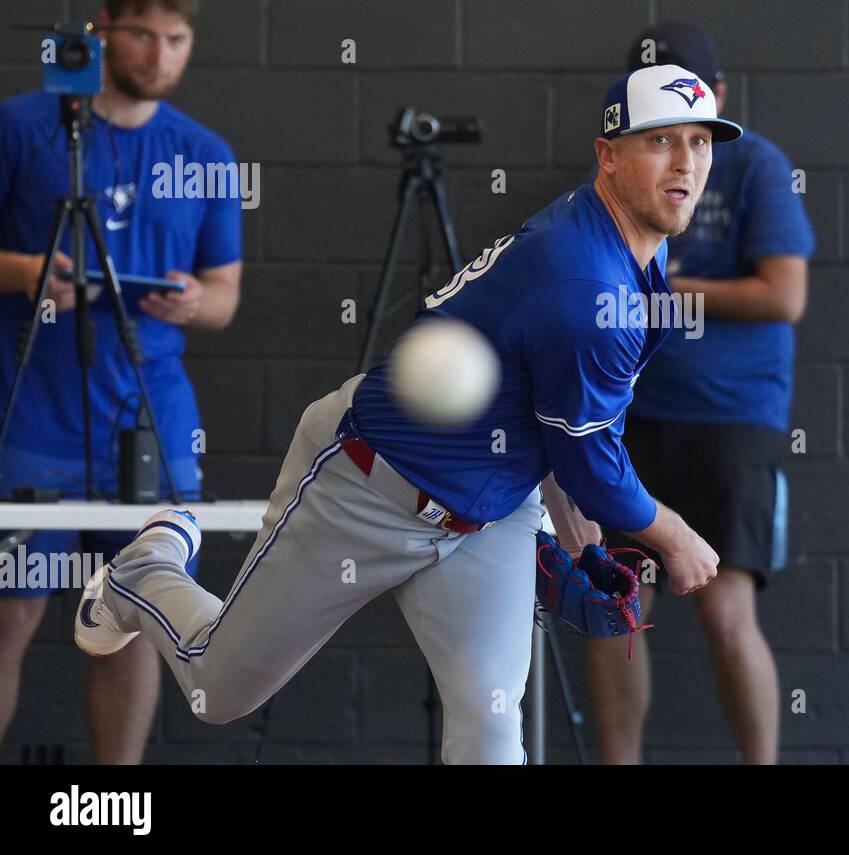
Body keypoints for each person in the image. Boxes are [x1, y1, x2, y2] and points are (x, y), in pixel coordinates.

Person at [73, 63, 730, 765]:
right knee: (217, 687)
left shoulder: (625, 256)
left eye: (700, 141)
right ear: (608, 154)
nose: (687, 162)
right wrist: (674, 535)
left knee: (491, 728)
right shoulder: (584, 279)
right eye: (661, 140)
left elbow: (566, 426)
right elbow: (595, 466)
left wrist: (568, 513)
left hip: (488, 515)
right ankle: (143, 569)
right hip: (367, 487)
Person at [0, 0, 243, 764]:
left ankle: (117, 802)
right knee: (11, 613)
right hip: (33, 412)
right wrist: (27, 273)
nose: (159, 54)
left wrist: (188, 301)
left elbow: (224, 296)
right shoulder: (24, 126)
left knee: (133, 618)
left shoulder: (205, 152)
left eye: (176, 38)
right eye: (142, 33)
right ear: (103, 30)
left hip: (149, 418)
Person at [581, 22, 814, 765]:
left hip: (730, 416)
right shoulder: (620, 172)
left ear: (719, 96)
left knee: (723, 607)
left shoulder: (757, 167)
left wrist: (665, 293)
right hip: (630, 414)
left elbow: (785, 294)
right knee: (615, 608)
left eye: (693, 93)